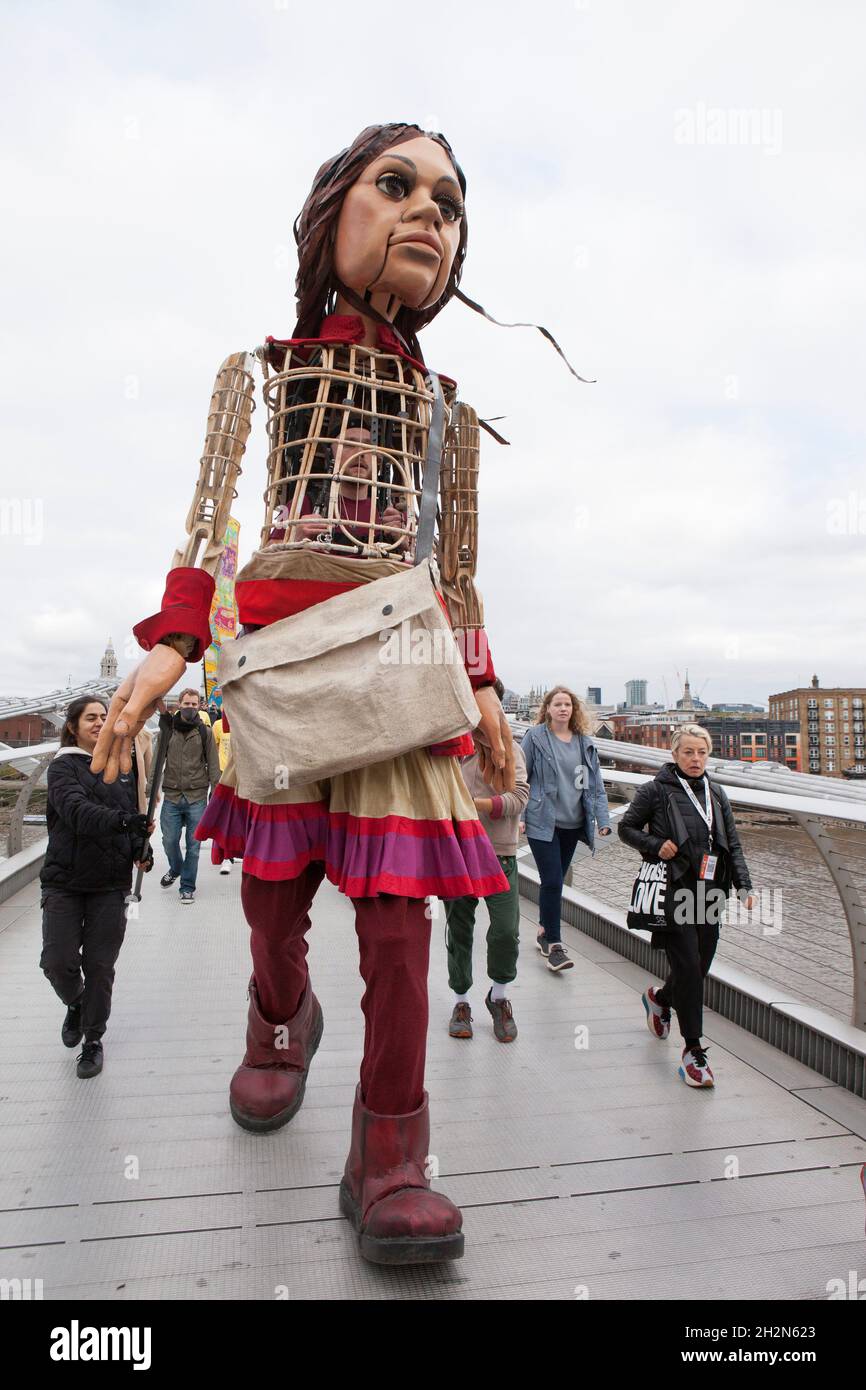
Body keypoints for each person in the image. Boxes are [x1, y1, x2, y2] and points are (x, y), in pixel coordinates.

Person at [93, 123, 528, 1266]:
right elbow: (208, 519)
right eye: (396, 187)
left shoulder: (450, 416)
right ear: (332, 211)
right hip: (279, 671)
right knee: (272, 897)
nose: (429, 211)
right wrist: (171, 644)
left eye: (448, 197)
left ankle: (388, 1151)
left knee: (397, 924)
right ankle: (280, 1020)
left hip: (397, 669)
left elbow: (459, 569)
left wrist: (480, 689)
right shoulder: (259, 373)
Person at [618, 723, 755, 1088]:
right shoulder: (654, 791)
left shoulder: (718, 793)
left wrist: (744, 885)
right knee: (690, 970)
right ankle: (693, 1052)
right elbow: (626, 828)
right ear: (675, 755)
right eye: (688, 752)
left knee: (701, 964)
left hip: (710, 891)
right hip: (674, 890)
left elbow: (733, 844)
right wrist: (654, 844)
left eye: (702, 753)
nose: (696, 759)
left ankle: (660, 999)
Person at [39, 697, 153, 1079]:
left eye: (105, 717)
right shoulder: (63, 768)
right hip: (65, 881)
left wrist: (141, 846)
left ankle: (92, 1040)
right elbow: (76, 812)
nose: (100, 723)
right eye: (91, 717)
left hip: (110, 883)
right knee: (57, 962)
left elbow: (131, 818)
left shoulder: (121, 767)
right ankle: (76, 1002)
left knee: (100, 966)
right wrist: (125, 822)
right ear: (72, 726)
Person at [445, 680, 529, 1042]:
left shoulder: (510, 750)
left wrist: (477, 806)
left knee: (506, 932)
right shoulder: (450, 749)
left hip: (501, 853)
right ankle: (461, 1001)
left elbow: (519, 797)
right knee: (459, 931)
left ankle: (498, 997)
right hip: (460, 855)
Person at [521, 686, 612, 972]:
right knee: (552, 881)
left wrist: (603, 820)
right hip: (542, 821)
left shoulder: (584, 743)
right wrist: (519, 815)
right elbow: (521, 776)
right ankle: (555, 945)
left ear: (574, 710)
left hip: (574, 824)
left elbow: (595, 786)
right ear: (547, 708)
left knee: (556, 880)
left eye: (568, 705)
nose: (563, 708)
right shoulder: (535, 738)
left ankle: (543, 929)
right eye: (557, 704)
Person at [269, 425, 408, 552]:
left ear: (377, 461)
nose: (360, 453)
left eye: (368, 447)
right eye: (348, 444)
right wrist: (294, 540)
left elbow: (422, 562)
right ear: (331, 456)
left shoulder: (393, 516)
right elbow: (265, 555)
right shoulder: (301, 505)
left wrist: (404, 542)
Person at [156, 688, 219, 903]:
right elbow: (157, 761)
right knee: (170, 840)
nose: (190, 707)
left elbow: (213, 764)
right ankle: (175, 868)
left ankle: (187, 887)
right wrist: (150, 790)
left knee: (193, 846)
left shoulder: (205, 732)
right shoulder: (168, 731)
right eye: (187, 703)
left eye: (194, 704)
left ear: (199, 706)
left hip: (196, 795)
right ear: (180, 704)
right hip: (172, 794)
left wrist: (216, 794)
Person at [210, 711, 234, 874]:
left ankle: (235, 851)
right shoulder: (218, 726)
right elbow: (214, 748)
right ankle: (226, 857)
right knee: (224, 817)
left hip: (244, 777)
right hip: (224, 776)